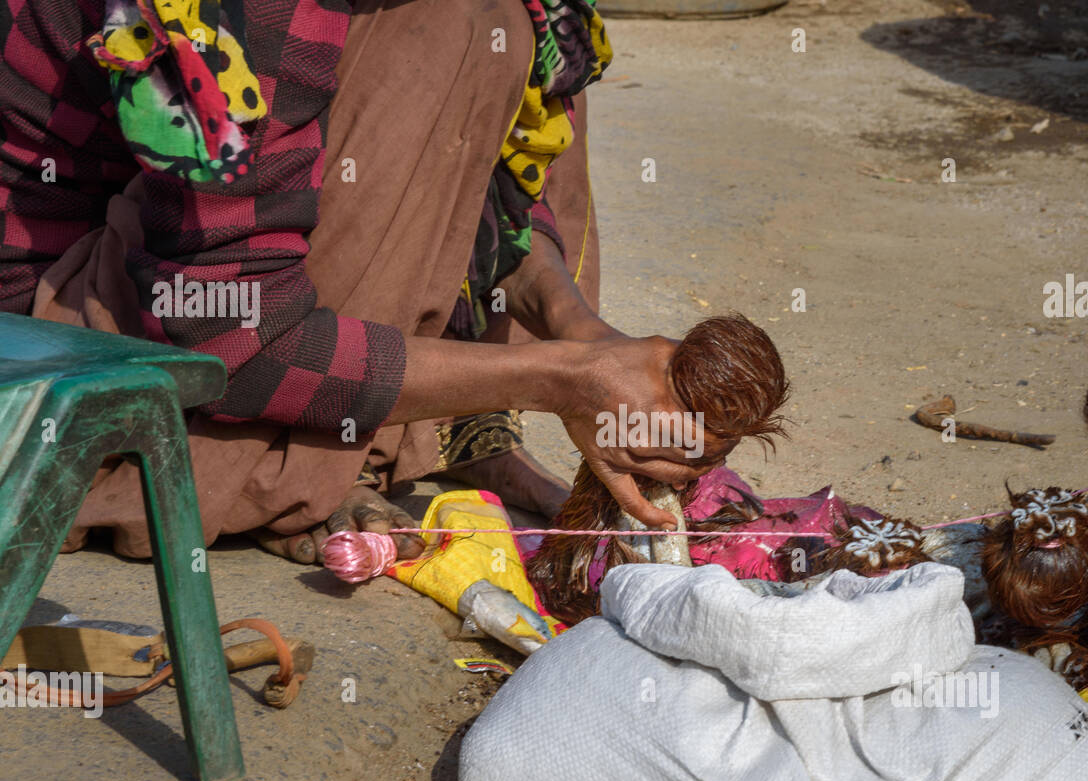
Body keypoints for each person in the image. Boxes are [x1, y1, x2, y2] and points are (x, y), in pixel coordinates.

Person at [0, 0, 709, 564]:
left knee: (513, 22)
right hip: (38, 347)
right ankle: (276, 468)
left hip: (163, 231)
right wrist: (561, 378)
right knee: (448, 32)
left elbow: (502, 194)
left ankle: (456, 427)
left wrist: (581, 331)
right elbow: (240, 332)